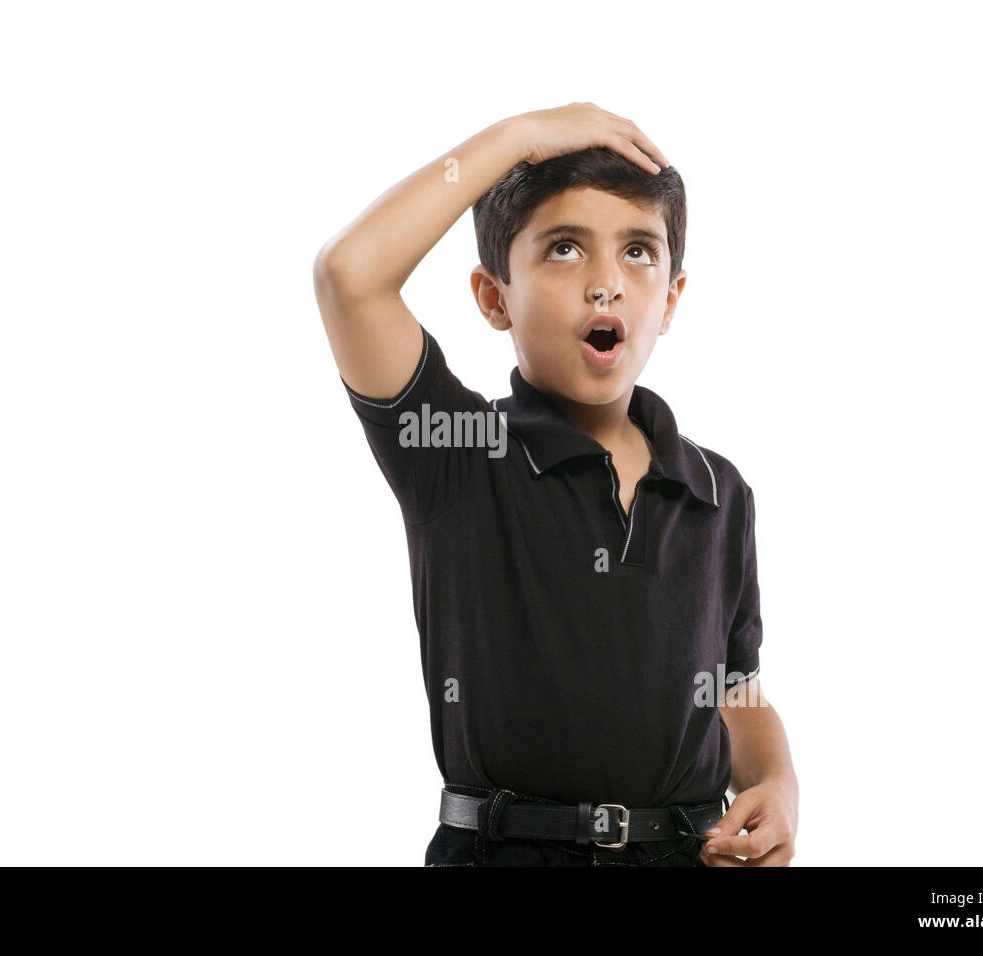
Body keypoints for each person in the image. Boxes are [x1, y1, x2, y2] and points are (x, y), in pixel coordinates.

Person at [313, 103, 798, 867]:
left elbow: (734, 686)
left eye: (638, 251)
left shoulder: (718, 490)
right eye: (565, 249)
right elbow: (350, 276)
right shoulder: (458, 452)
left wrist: (777, 782)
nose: (606, 285)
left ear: (671, 298)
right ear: (493, 296)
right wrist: (520, 137)